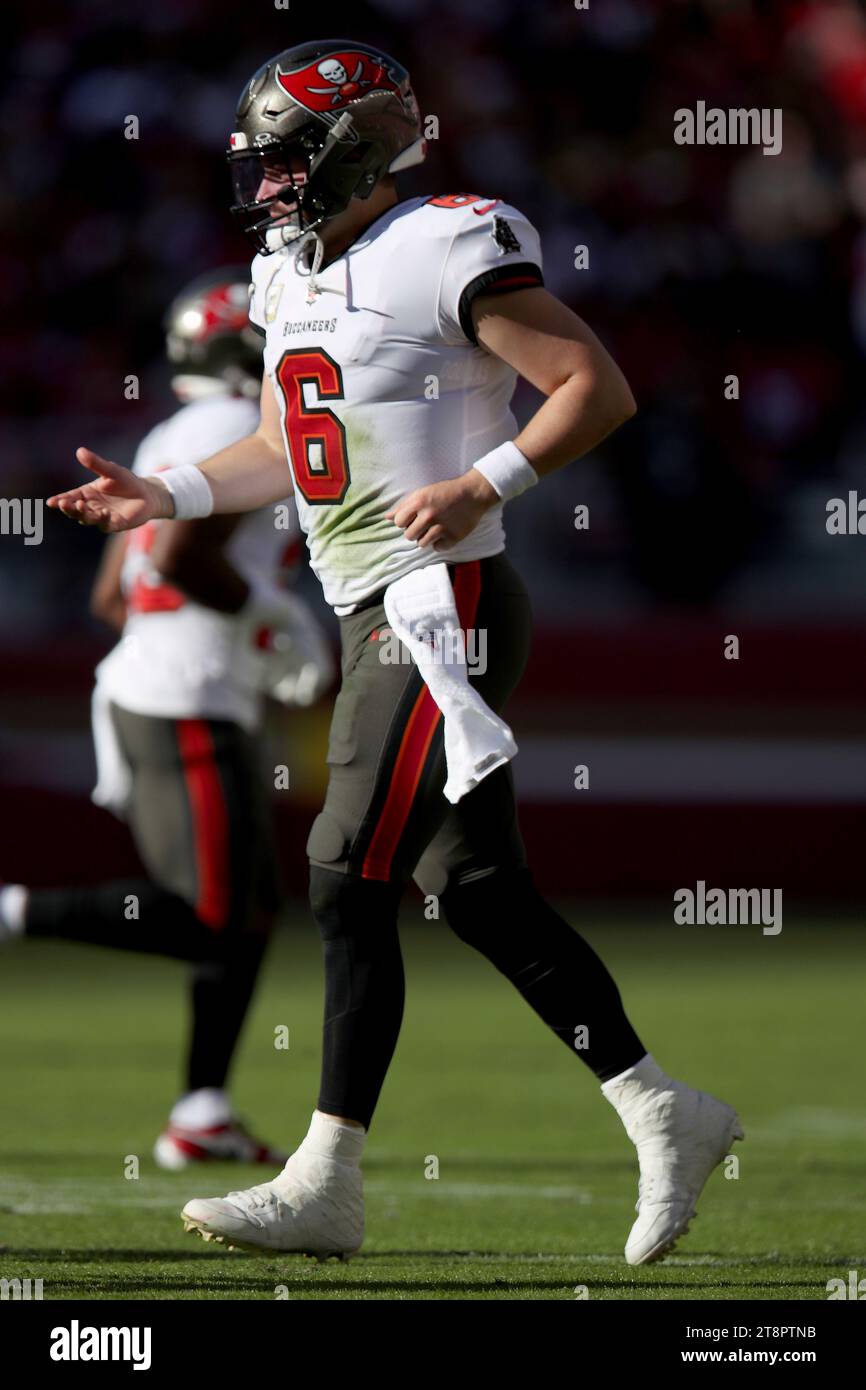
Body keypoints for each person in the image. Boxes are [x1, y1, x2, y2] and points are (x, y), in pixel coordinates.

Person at [46, 41, 742, 1264]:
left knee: (339, 869)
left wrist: (485, 479)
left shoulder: (442, 241)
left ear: (353, 145)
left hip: (439, 596)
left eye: (283, 160)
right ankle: (661, 1108)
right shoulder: (289, 275)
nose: (264, 188)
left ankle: (327, 1180)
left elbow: (591, 382)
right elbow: (278, 446)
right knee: (473, 888)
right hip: (370, 597)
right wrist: (162, 496)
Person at [4, 268, 332, 1169]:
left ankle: (202, 1109)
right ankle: (12, 910)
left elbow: (115, 592)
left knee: (248, 908)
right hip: (183, 696)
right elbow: (183, 557)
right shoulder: (237, 424)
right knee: (215, 914)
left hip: (163, 684)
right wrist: (273, 619)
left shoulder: (174, 427)